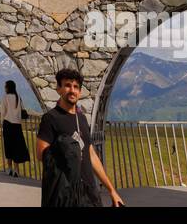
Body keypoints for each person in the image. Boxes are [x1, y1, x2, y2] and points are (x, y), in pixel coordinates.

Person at [37, 68, 123, 207]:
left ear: (80, 92)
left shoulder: (82, 118)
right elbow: (41, 154)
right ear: (58, 89)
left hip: (89, 191)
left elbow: (91, 155)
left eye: (76, 87)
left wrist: (111, 190)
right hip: (65, 195)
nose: (72, 90)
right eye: (67, 85)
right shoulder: (50, 118)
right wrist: (65, 147)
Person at [1, 80, 31, 177]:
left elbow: (3, 111)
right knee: (16, 147)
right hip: (17, 125)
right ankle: (16, 170)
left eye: (5, 86)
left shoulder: (5, 97)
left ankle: (9, 168)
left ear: (7, 87)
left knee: (8, 146)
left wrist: (2, 123)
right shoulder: (18, 97)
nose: (4, 88)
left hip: (8, 124)